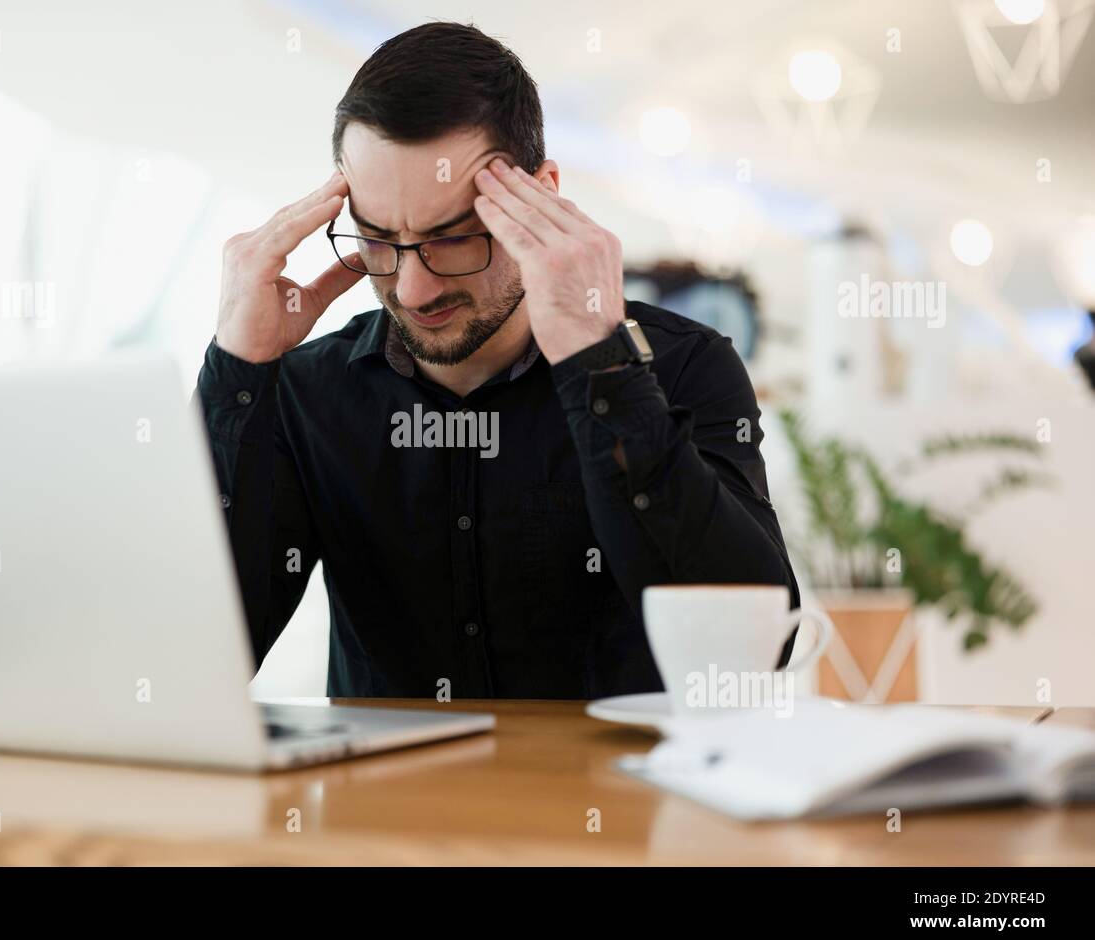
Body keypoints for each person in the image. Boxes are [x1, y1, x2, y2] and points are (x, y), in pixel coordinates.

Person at [196, 21, 798, 698]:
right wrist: (236, 376)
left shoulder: (680, 365)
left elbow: (748, 658)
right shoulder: (307, 391)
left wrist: (603, 366)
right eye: (377, 238)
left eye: (452, 238)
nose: (414, 289)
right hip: (385, 805)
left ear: (542, 195)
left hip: (631, 800)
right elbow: (201, 663)